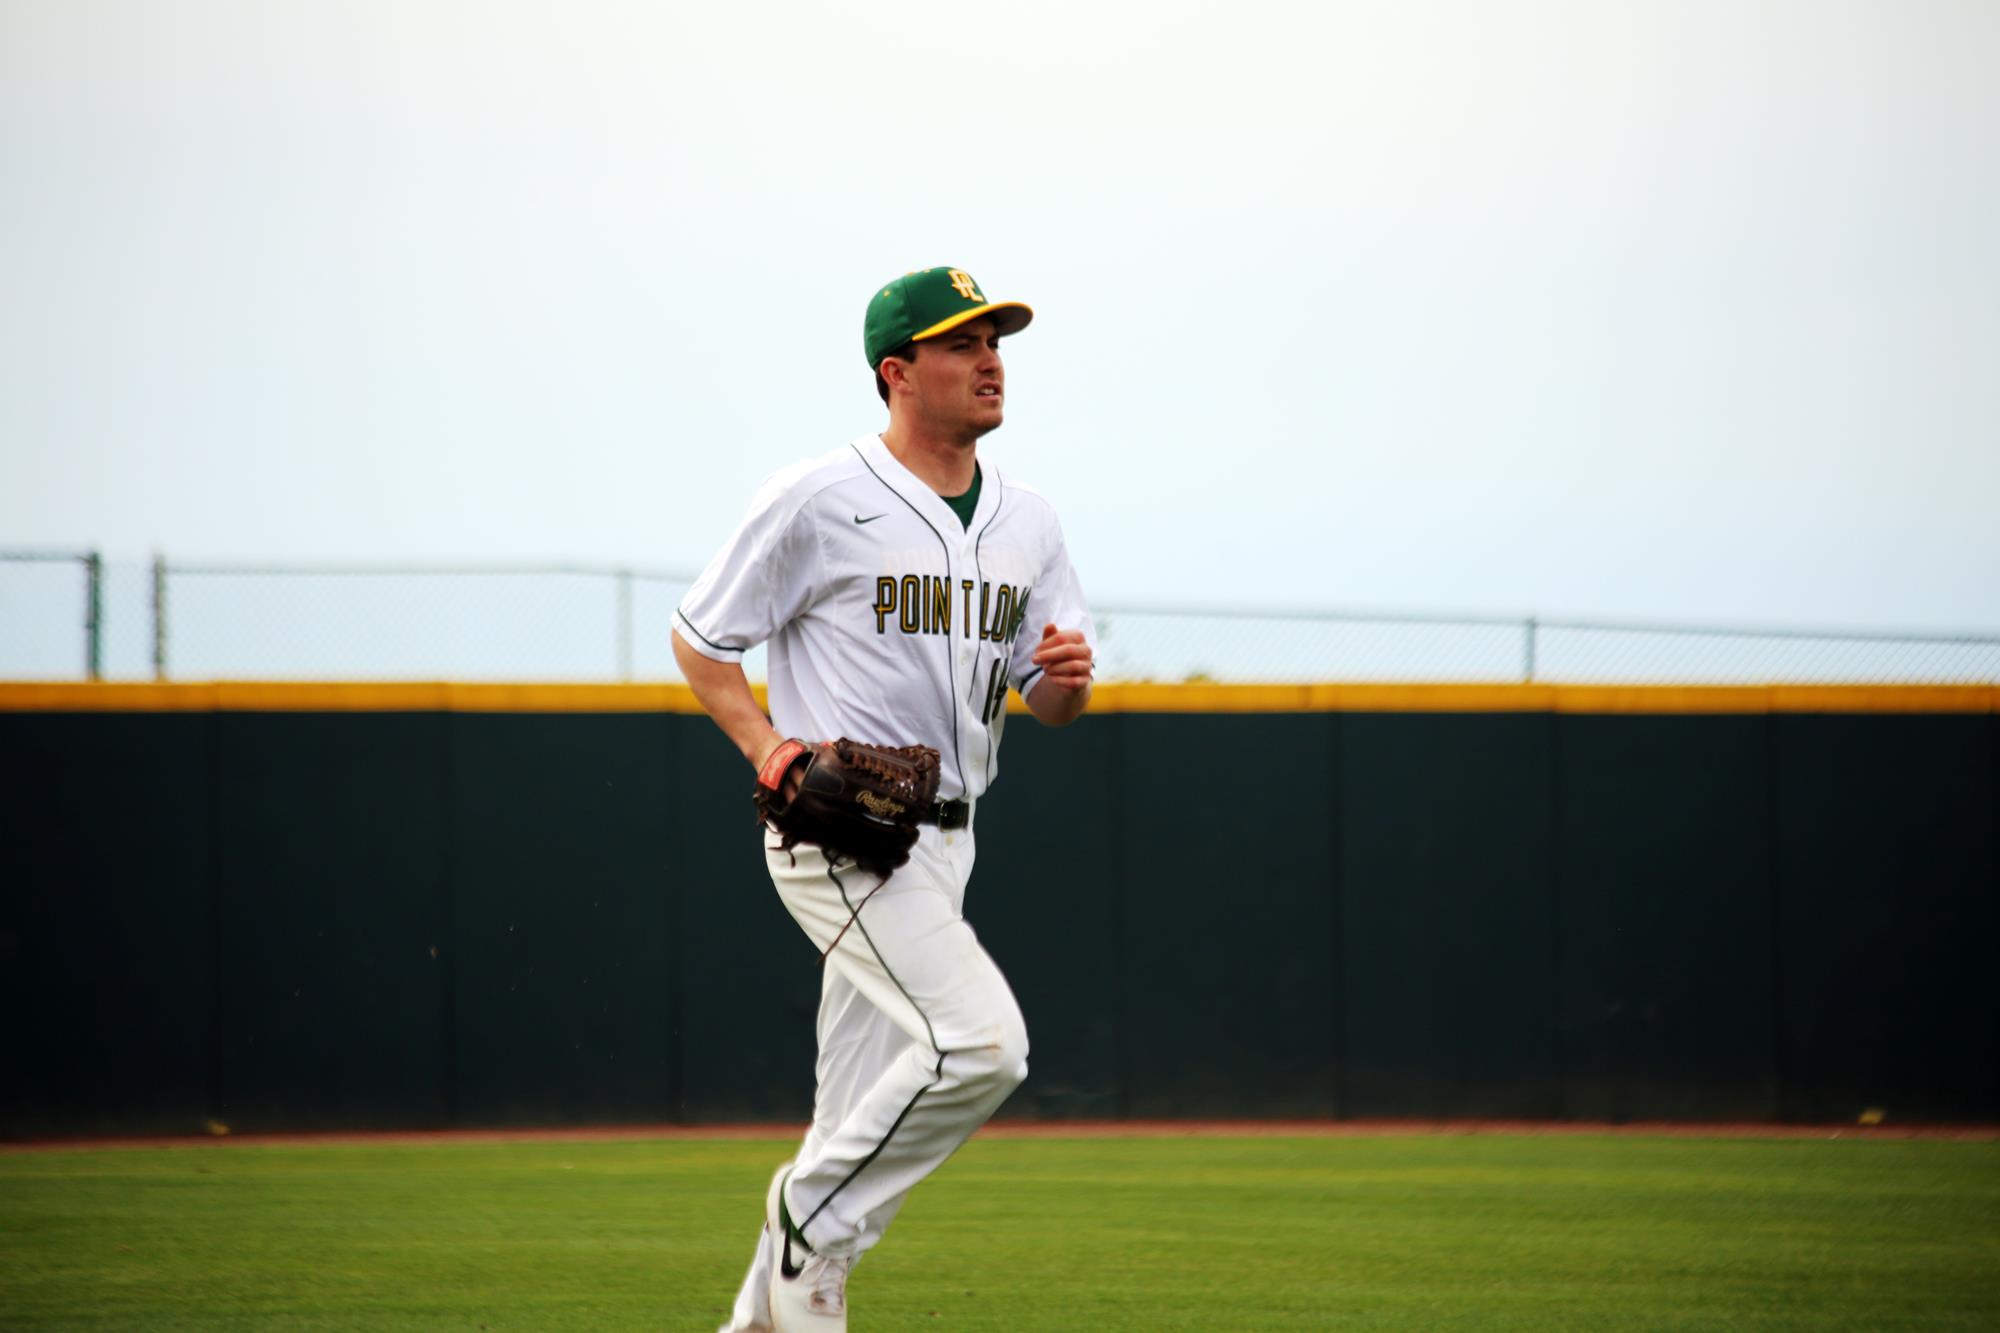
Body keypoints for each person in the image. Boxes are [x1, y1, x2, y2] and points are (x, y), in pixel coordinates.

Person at [671, 266, 1096, 1332]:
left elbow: (1042, 696)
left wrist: (1065, 685)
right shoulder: (820, 496)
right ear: (897, 373)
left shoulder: (1027, 519)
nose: (991, 358)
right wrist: (765, 745)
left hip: (947, 843)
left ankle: (762, 1313)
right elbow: (700, 637)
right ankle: (811, 1218)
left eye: (996, 338)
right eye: (962, 343)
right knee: (982, 1046)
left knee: (849, 1113)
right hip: (841, 834)